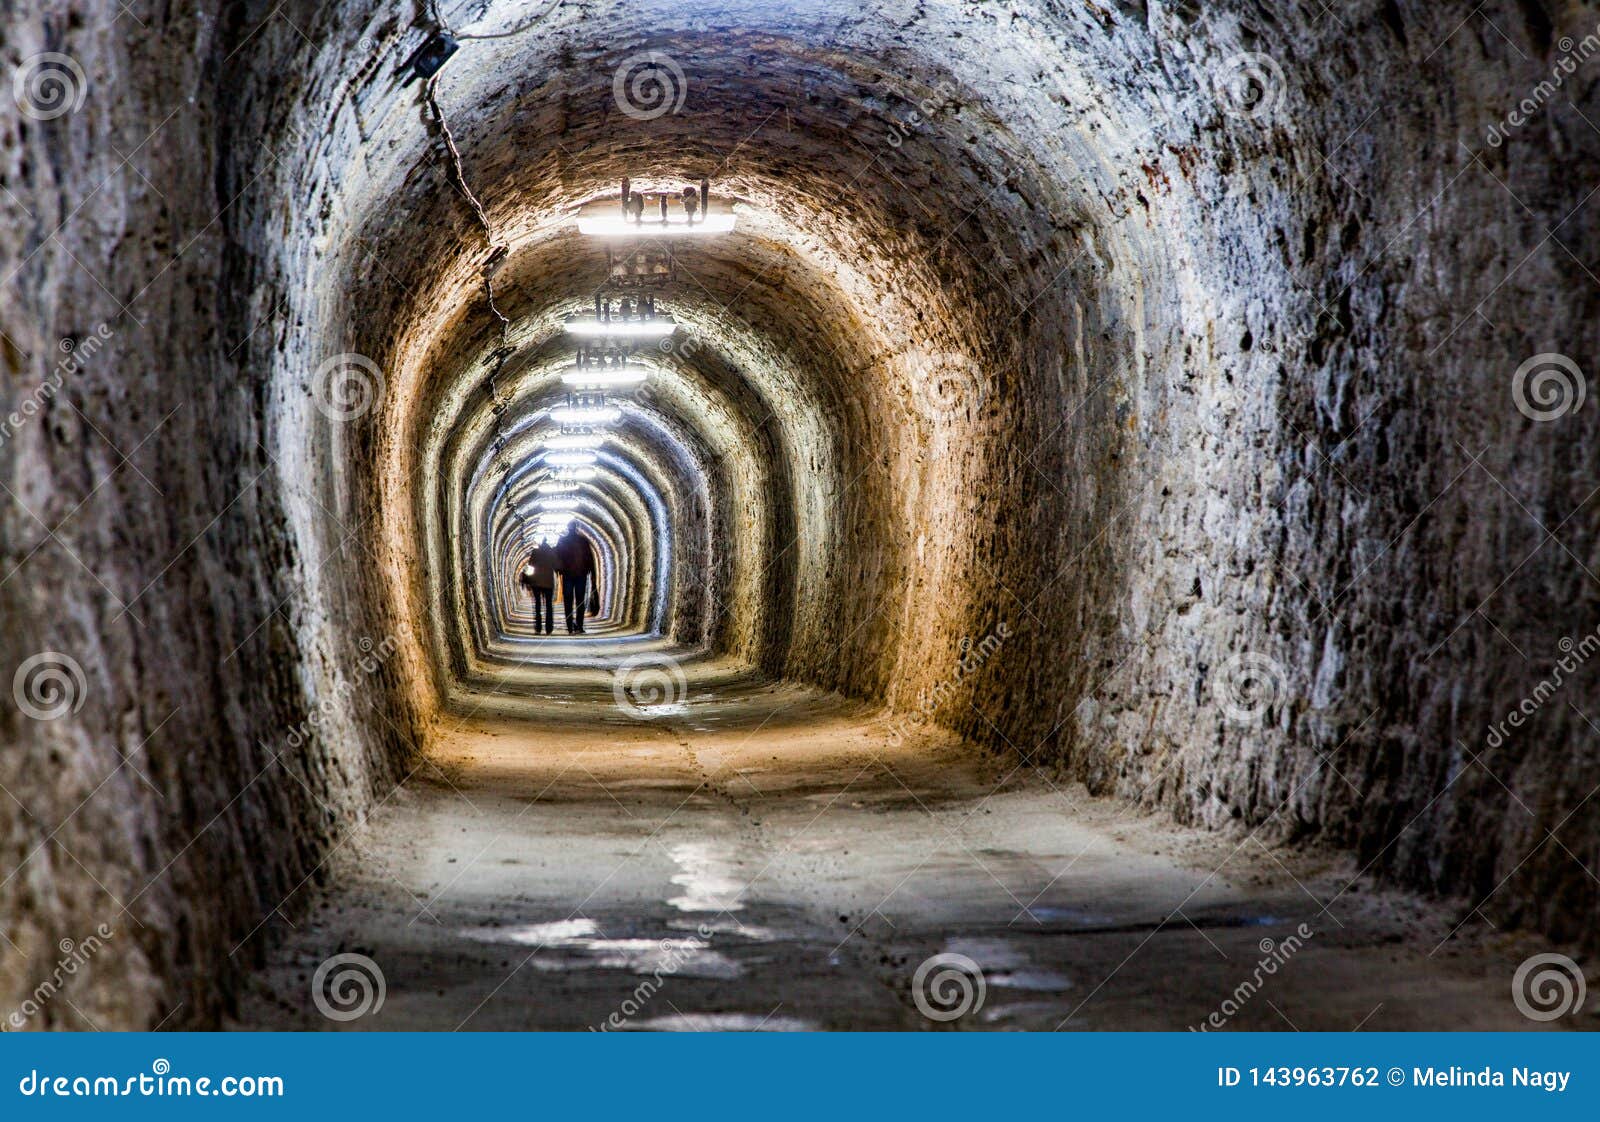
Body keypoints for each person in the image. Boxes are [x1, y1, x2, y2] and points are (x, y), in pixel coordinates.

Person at [555, 523, 599, 635]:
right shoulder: (583, 540)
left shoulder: (562, 540)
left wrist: (559, 571)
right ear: (576, 528)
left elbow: (556, 557)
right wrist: (592, 573)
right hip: (581, 574)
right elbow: (590, 557)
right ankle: (579, 625)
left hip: (568, 575)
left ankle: (570, 626)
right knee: (580, 601)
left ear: (568, 528)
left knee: (568, 602)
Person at [519, 537, 559, 635]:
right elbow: (556, 565)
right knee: (549, 606)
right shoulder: (551, 552)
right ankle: (549, 628)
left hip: (536, 582)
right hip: (548, 583)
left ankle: (538, 628)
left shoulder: (535, 552)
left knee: (537, 605)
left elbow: (530, 565)